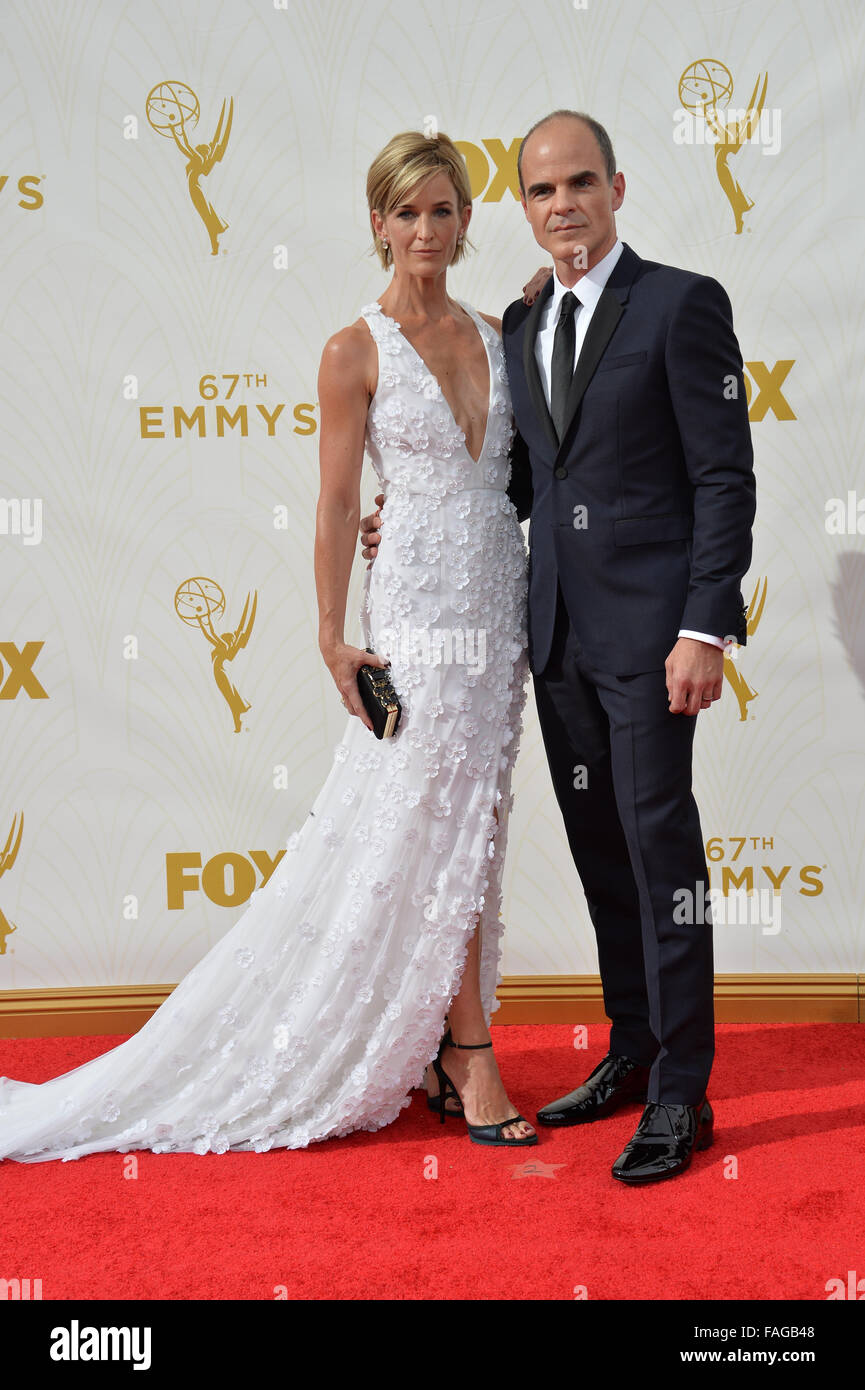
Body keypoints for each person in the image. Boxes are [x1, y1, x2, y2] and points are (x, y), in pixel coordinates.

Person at [0, 129, 537, 1164]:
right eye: (405, 211)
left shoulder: (499, 332)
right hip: (419, 606)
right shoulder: (355, 347)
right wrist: (333, 637)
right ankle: (469, 1053)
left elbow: (520, 469)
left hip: (498, 600)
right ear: (375, 222)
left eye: (443, 209)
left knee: (476, 816)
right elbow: (337, 503)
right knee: (430, 811)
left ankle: (438, 1039)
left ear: (466, 219)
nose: (425, 229)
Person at [360, 110, 756, 1184]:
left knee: (662, 852)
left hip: (654, 639)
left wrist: (701, 627)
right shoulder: (522, 329)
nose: (562, 204)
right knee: (603, 858)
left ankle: (683, 1092)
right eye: (541, 191)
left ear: (617, 188)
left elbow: (723, 477)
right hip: (552, 638)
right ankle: (630, 1050)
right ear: (524, 210)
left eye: (580, 182)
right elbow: (524, 479)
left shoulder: (680, 304)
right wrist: (408, 509)